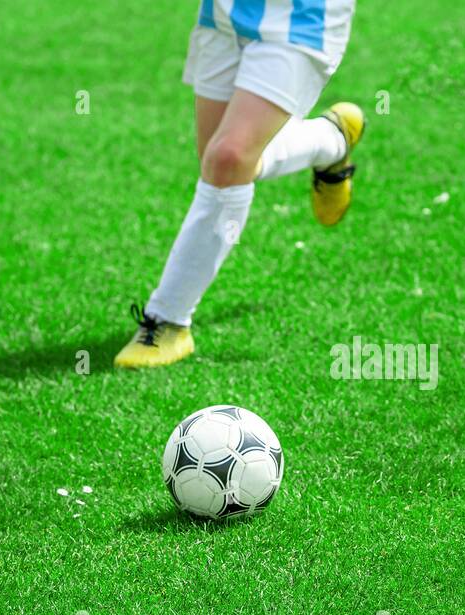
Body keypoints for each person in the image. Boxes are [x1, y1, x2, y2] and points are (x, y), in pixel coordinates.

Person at [115, 0, 364, 369]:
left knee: (228, 158)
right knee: (222, 162)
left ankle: (168, 321)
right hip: (224, 12)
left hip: (301, 17)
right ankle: (332, 141)